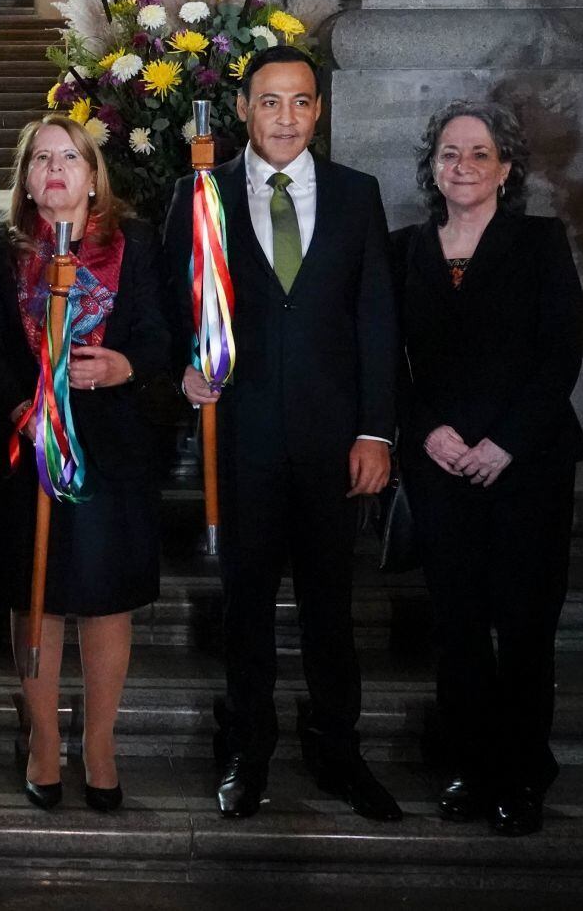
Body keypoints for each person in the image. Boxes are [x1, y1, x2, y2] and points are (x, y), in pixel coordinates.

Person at [164, 44, 401, 823]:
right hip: (242, 440)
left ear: (318, 110)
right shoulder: (201, 195)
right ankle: (249, 750)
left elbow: (375, 321)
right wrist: (182, 371)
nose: (286, 117)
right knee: (248, 607)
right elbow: (172, 308)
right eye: (270, 102)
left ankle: (339, 750)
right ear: (242, 110)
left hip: (336, 444)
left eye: (301, 102)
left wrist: (376, 431)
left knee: (334, 608)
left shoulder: (356, 195)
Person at [389, 100, 583, 837]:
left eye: (478, 153)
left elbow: (559, 353)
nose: (462, 166)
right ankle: (471, 766)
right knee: (459, 626)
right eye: (449, 153)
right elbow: (388, 358)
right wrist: (425, 430)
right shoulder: (403, 248)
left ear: (506, 168)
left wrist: (504, 442)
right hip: (439, 465)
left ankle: (523, 774)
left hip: (527, 463)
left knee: (526, 626)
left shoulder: (539, 242)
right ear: (432, 167)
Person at [0, 117, 170, 813]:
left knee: (106, 598)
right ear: (26, 178)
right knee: (39, 595)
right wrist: (29, 404)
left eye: (69, 158)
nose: (55, 170)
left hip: (113, 441)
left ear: (92, 175)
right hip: (26, 441)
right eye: (41, 159)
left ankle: (101, 744)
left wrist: (124, 365)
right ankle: (45, 741)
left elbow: (159, 334)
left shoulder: (135, 244)